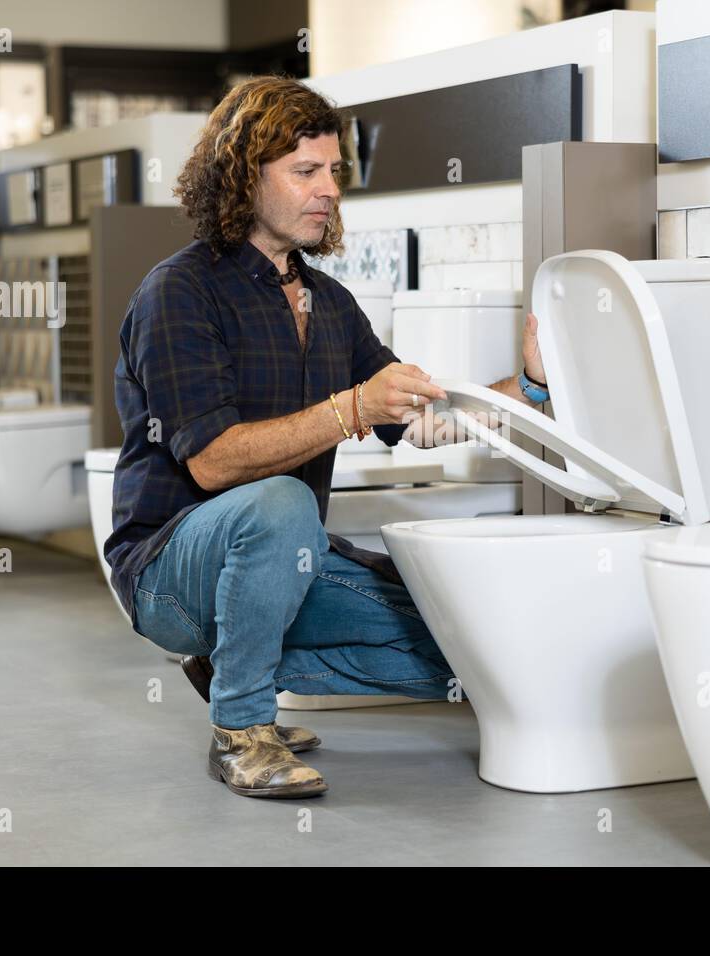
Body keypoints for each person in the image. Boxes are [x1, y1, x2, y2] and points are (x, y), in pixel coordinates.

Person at [105, 76, 550, 798]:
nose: (329, 190)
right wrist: (351, 407)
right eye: (305, 172)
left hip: (284, 560)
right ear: (244, 178)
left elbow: (423, 415)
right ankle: (244, 730)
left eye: (334, 172)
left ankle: (233, 663)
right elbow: (215, 463)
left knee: (472, 641)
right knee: (281, 501)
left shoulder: (332, 306)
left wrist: (527, 388)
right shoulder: (178, 292)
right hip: (167, 569)